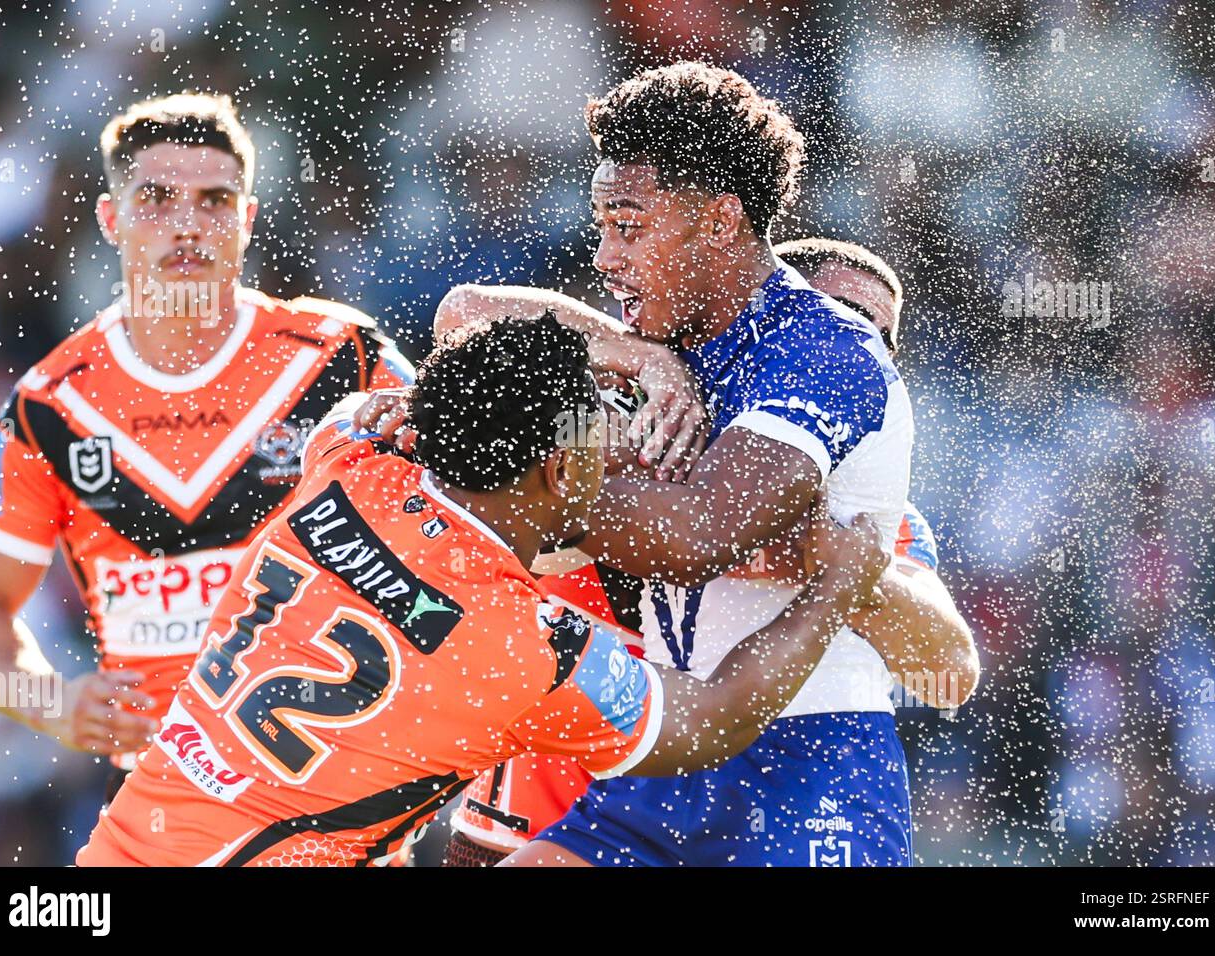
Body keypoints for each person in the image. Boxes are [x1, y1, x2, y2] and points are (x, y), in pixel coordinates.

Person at [358, 62, 919, 867]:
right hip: (673, 745)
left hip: (808, 763)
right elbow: (465, 316)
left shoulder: (824, 350)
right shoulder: (675, 327)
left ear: (721, 222)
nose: (605, 254)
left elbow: (695, 537)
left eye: (628, 225)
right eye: (601, 225)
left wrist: (486, 453)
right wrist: (633, 359)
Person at [75, 313, 887, 866]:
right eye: (597, 422)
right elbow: (714, 719)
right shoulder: (522, 645)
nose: (614, 437)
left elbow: (384, 397)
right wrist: (837, 589)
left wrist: (619, 359)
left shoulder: (352, 462)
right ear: (560, 468)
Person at [439, 237, 977, 865]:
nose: (837, 351)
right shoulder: (653, 409)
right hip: (568, 779)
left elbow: (950, 674)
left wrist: (841, 567)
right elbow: (463, 313)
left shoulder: (873, 517)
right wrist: (638, 357)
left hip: (770, 769)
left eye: (869, 334)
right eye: (829, 318)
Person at [0, 93, 413, 791]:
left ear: (248, 219)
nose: (188, 225)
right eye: (157, 199)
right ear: (110, 219)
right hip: (159, 799)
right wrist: (52, 704)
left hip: (348, 788)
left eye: (215, 201)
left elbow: (464, 517)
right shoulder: (51, 407)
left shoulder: (341, 358)